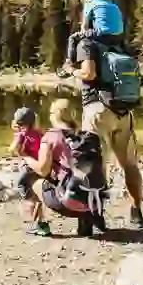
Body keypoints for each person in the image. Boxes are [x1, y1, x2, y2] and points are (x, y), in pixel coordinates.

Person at [64, 36, 143, 229]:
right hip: (124, 111)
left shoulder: (87, 44)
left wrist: (71, 70)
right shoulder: (119, 46)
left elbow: (89, 74)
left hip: (97, 110)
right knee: (129, 164)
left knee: (94, 163)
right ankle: (137, 213)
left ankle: (95, 215)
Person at [16, 100, 100, 237]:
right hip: (96, 202)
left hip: (66, 203)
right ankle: (86, 220)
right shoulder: (87, 136)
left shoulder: (51, 136)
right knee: (80, 176)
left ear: (55, 115)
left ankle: (40, 225)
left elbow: (42, 169)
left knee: (33, 179)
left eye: (50, 113)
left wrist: (25, 157)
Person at [64, 0, 125, 68]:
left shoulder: (91, 4)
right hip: (118, 36)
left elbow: (84, 26)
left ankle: (70, 64)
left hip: (102, 34)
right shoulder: (112, 4)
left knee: (73, 38)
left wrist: (83, 34)